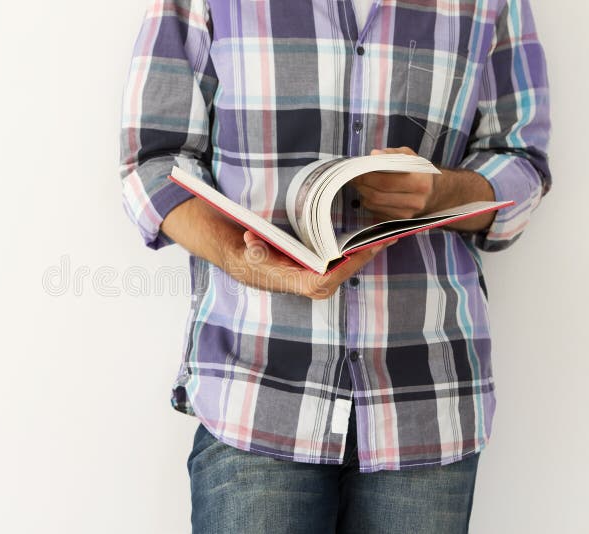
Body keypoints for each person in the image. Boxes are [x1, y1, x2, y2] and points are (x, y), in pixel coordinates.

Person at [119, 0, 550, 532]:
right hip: (255, 387)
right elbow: (154, 160)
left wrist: (438, 191)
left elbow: (522, 161)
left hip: (428, 397)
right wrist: (239, 255)